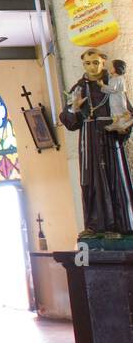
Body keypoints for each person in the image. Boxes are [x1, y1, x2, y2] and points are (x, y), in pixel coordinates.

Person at [59, 48, 133, 236]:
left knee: (113, 177)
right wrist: (74, 109)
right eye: (87, 63)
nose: (92, 67)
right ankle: (95, 225)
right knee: (90, 180)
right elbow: (69, 120)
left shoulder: (114, 84)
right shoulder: (79, 87)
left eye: (96, 62)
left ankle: (118, 226)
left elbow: (126, 110)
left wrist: (123, 127)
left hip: (109, 135)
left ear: (103, 63)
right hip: (89, 137)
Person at [103, 58, 132, 133]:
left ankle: (122, 124)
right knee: (115, 110)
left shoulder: (117, 78)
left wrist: (102, 85)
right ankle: (118, 125)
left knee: (117, 110)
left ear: (117, 68)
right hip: (116, 97)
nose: (110, 68)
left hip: (117, 98)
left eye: (111, 67)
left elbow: (113, 89)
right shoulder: (116, 78)